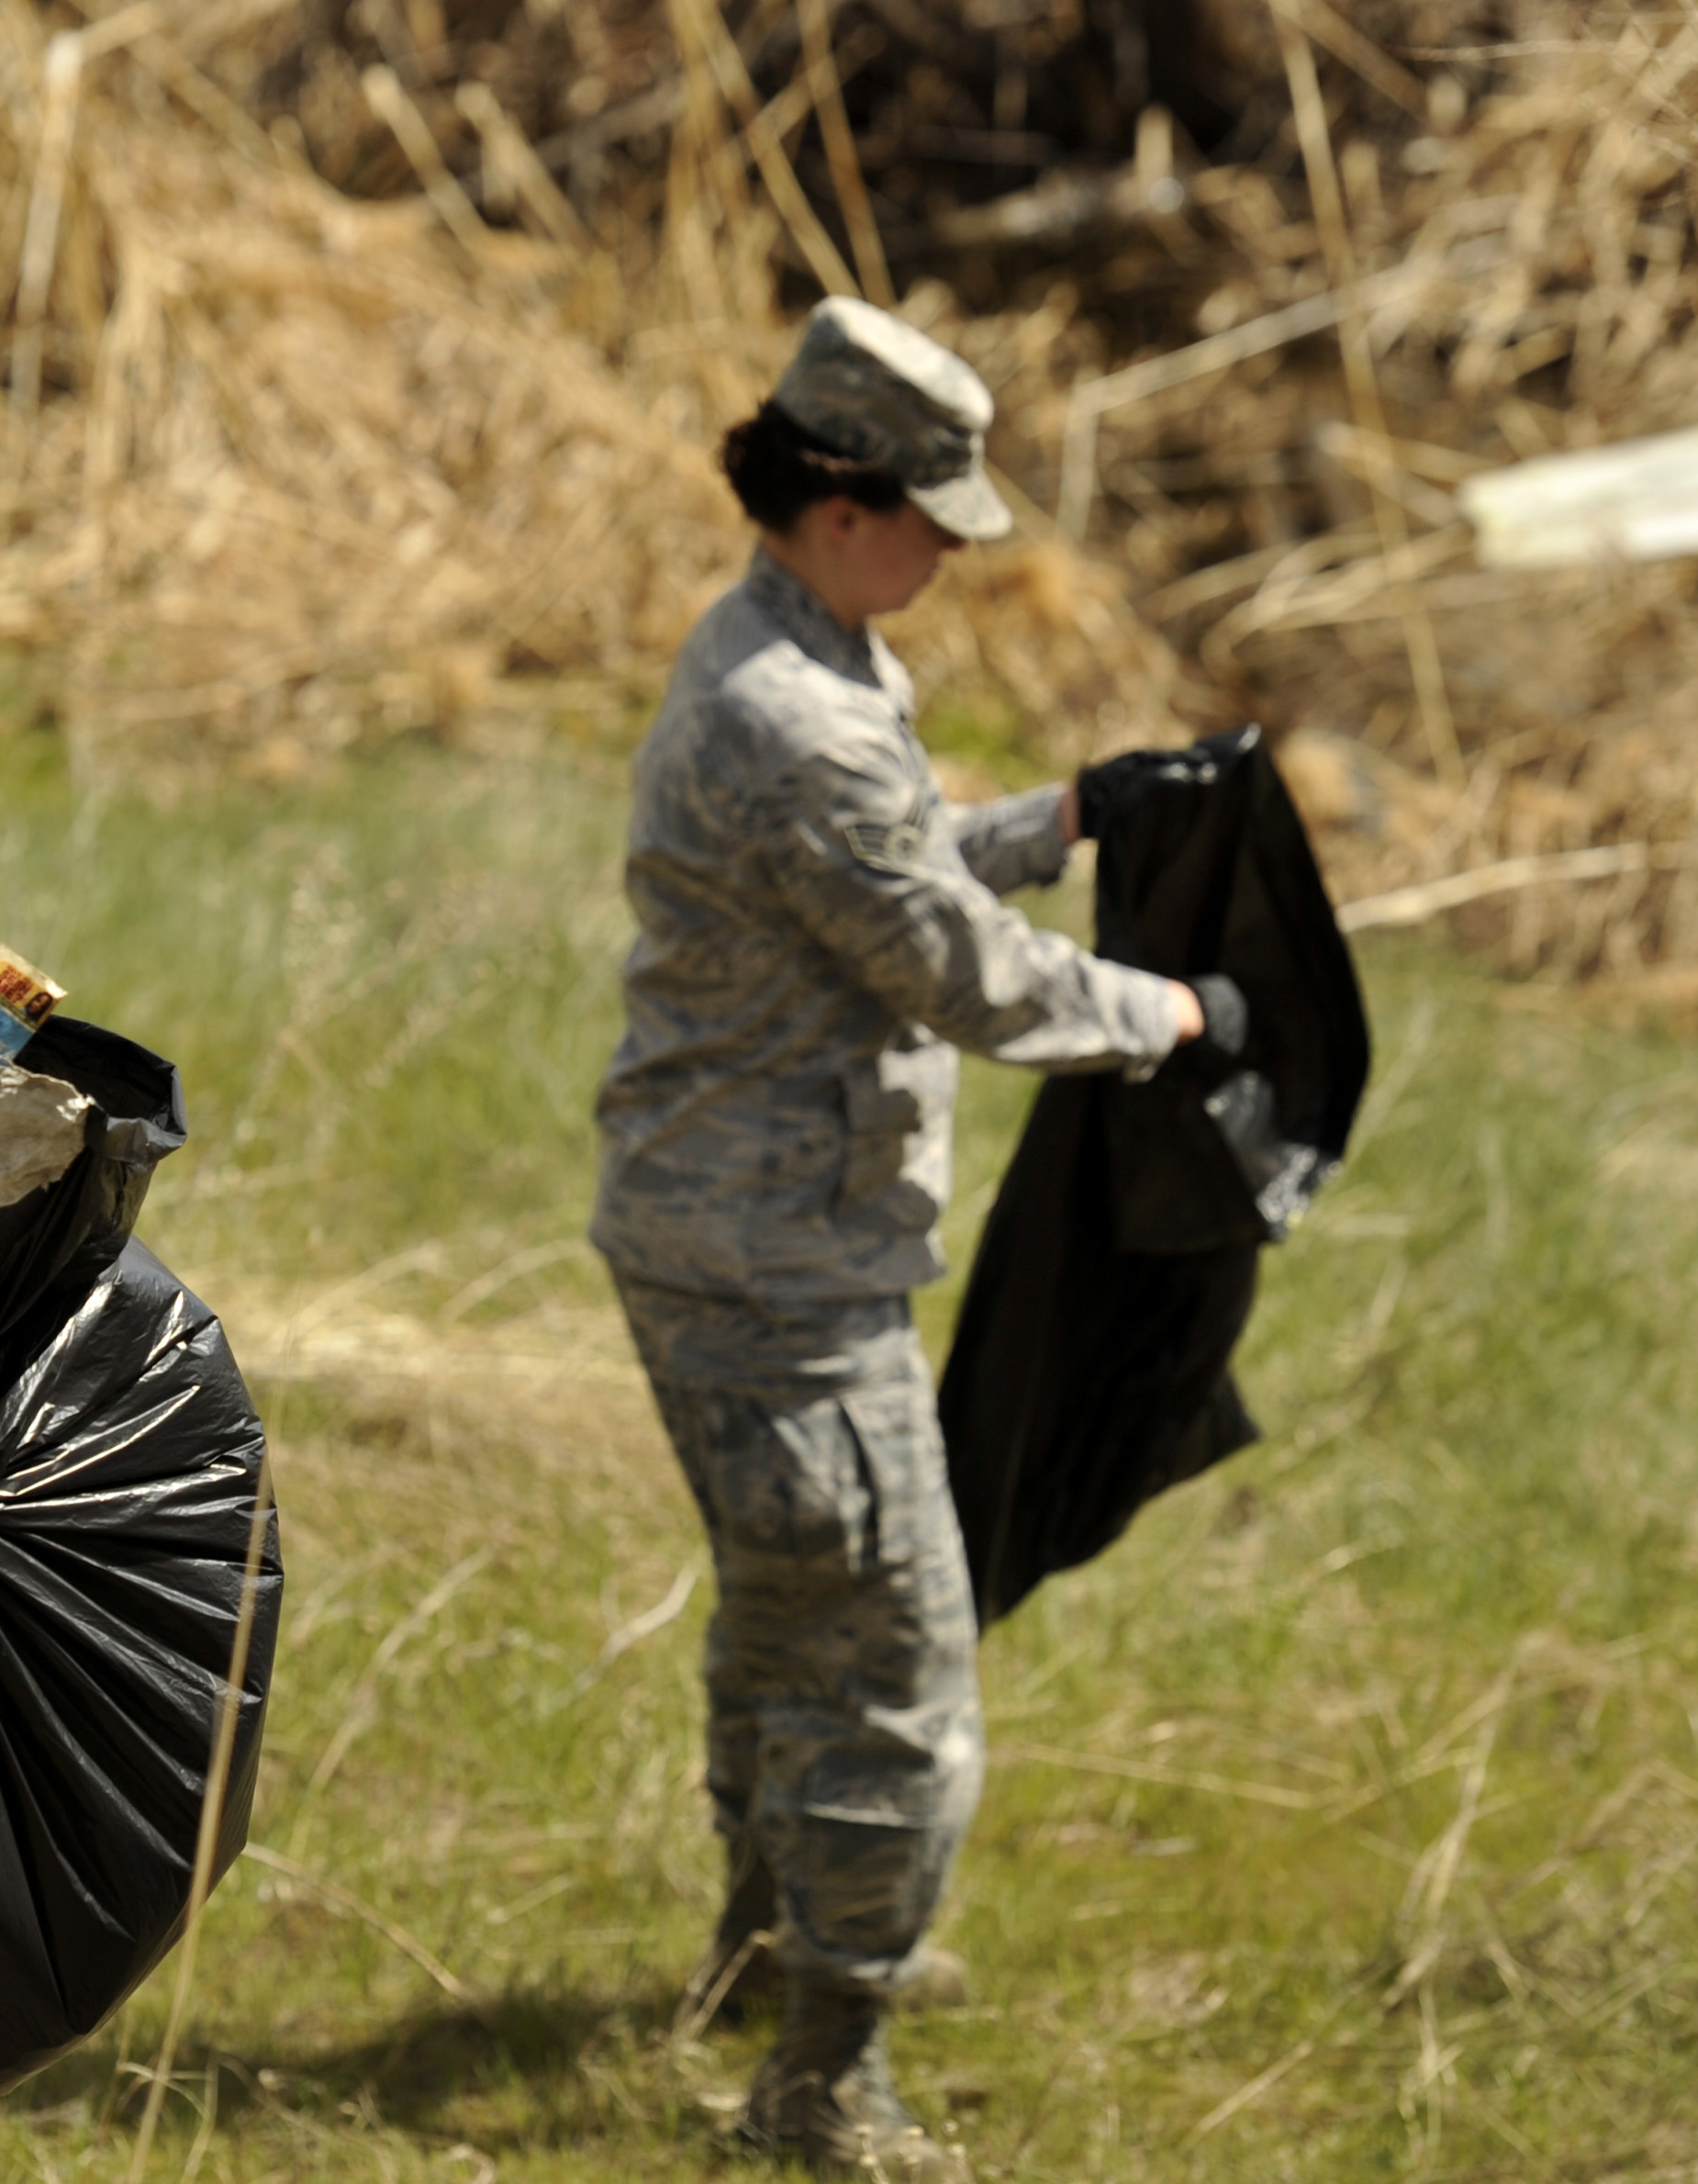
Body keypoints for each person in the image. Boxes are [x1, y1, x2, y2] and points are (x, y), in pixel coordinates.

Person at [590, 300, 1234, 2180]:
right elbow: (960, 973)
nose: (962, 547)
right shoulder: (797, 711)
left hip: (728, 1233)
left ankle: (768, 1941)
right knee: (893, 1671)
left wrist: (1062, 817)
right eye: (937, 512)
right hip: (782, 1272)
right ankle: (823, 2076)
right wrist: (1175, 1017)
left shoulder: (797, 644)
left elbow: (898, 867)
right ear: (845, 495)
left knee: (787, 1613)